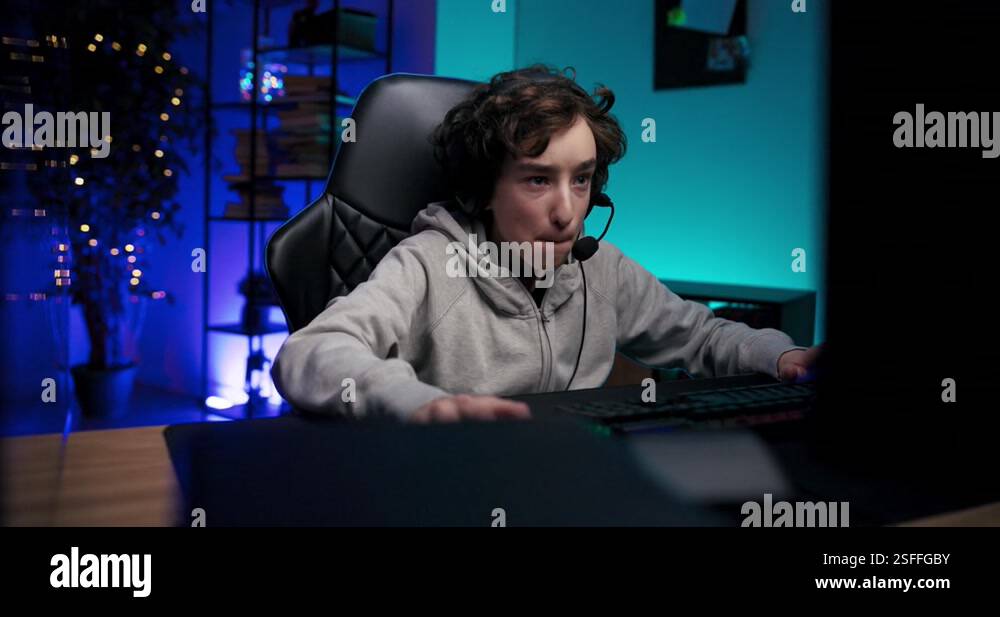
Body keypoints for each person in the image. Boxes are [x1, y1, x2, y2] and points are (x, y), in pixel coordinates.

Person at [270, 65, 820, 423]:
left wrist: (783, 356)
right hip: (453, 477)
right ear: (483, 189)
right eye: (538, 180)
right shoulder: (429, 263)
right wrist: (421, 403)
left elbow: (701, 335)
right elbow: (310, 352)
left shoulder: (598, 269)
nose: (566, 212)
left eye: (581, 179)